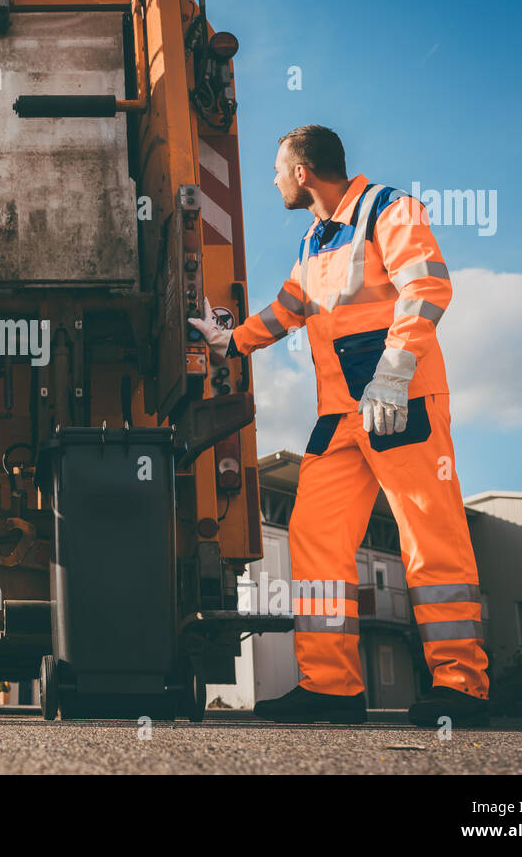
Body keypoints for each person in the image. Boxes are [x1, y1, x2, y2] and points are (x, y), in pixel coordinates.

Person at [189, 125, 490, 728]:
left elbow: (427, 286)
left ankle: (461, 685)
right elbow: (289, 309)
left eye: (278, 169)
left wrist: (395, 374)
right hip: (342, 418)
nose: (273, 179)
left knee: (429, 537)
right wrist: (231, 341)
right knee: (314, 536)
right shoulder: (313, 244)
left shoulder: (390, 208)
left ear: (302, 173)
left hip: (401, 404)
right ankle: (331, 687)